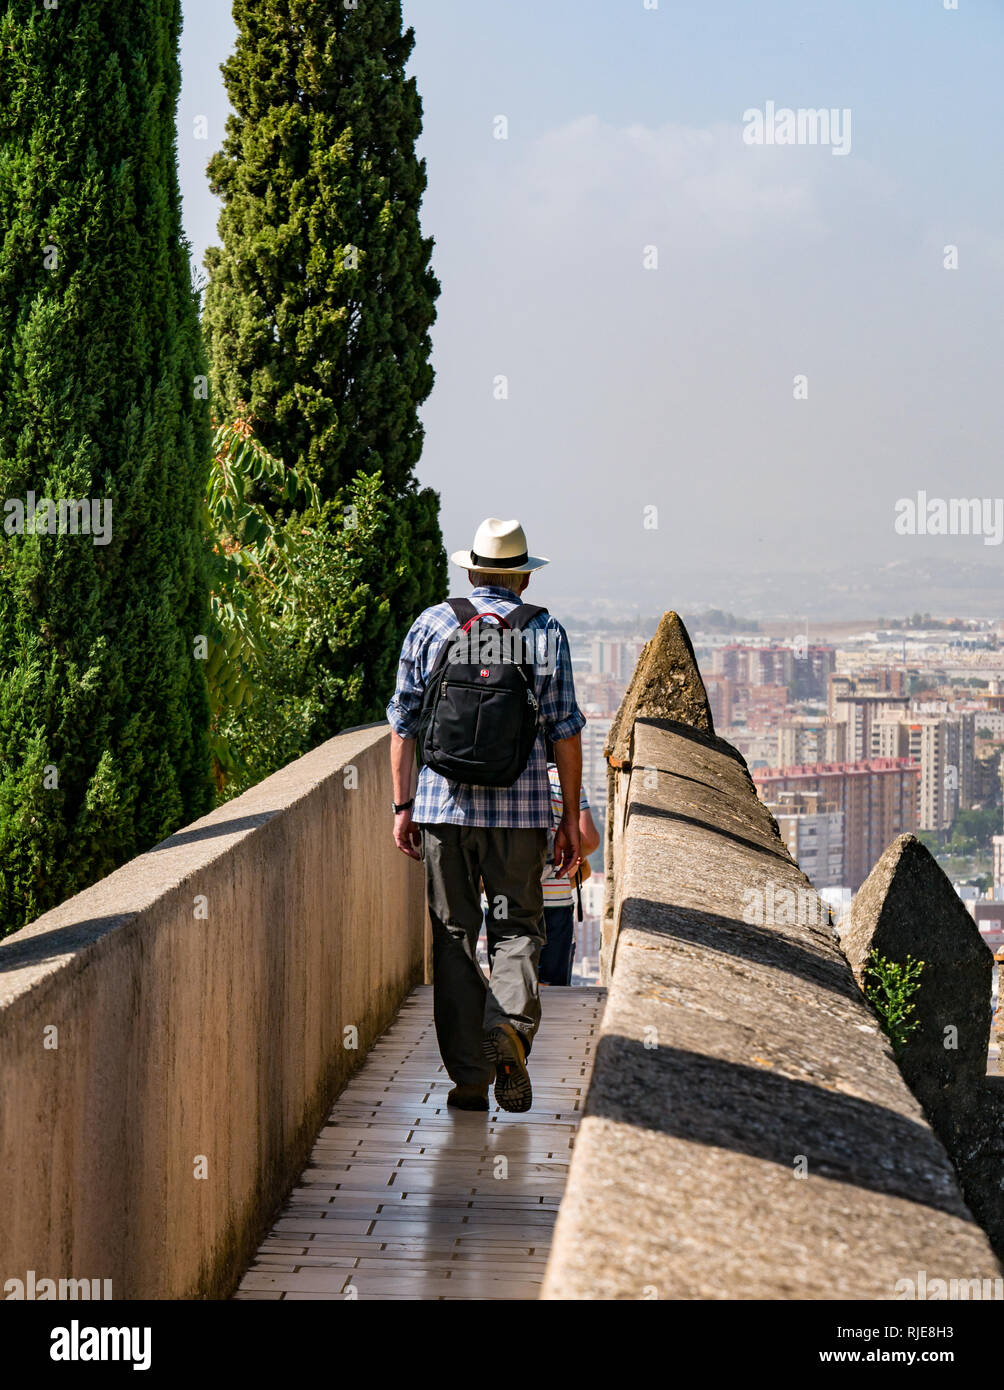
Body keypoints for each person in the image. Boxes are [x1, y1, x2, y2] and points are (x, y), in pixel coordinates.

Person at [386, 517, 585, 1113]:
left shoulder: (433, 623)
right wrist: (568, 819)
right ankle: (509, 1029)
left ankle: (470, 1079)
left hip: (444, 809)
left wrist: (403, 807)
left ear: (471, 570)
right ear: (522, 577)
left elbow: (402, 725)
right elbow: (566, 731)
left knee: (451, 937)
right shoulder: (542, 631)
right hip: (520, 815)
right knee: (519, 929)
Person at [539, 757, 600, 987]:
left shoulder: (501, 768)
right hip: (554, 900)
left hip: (504, 898)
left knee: (508, 977)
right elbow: (589, 838)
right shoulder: (563, 778)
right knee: (552, 985)